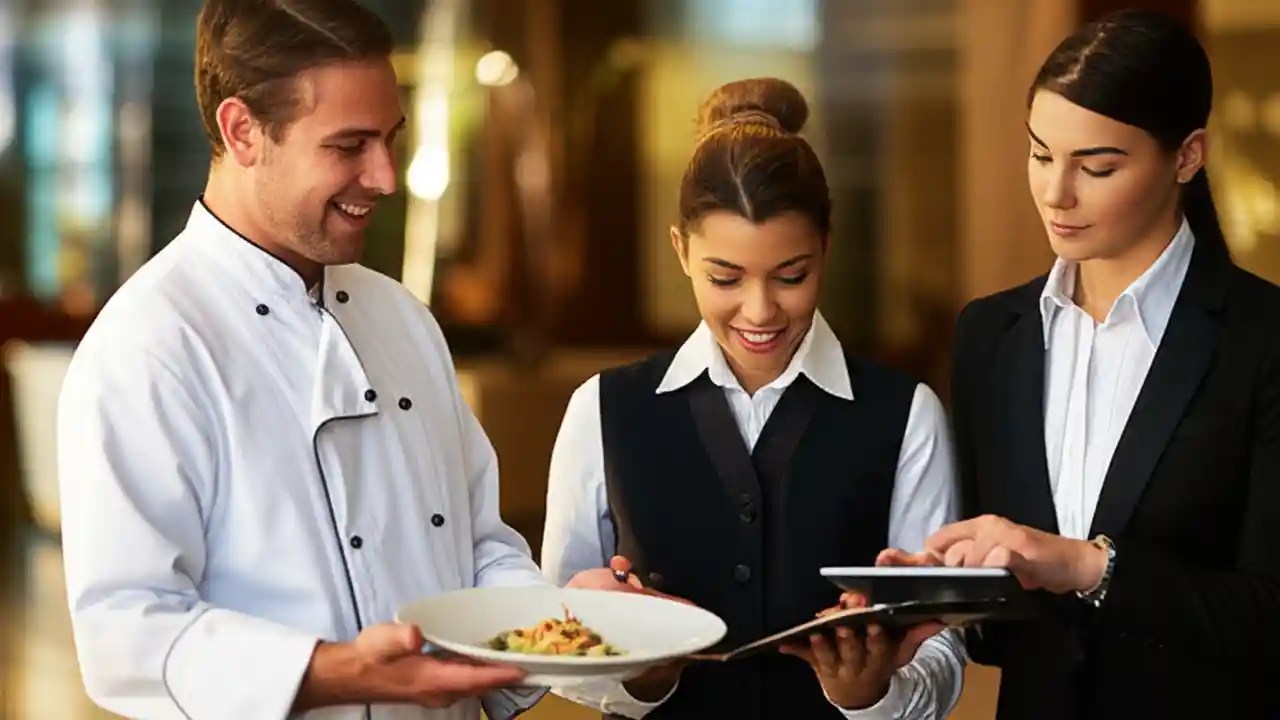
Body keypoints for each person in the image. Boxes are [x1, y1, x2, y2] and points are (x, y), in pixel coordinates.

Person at [56, 2, 553, 718]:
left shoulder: (402, 320)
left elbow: (478, 549)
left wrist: (565, 624)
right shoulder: (149, 347)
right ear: (242, 131)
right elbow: (125, 633)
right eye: (348, 146)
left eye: (390, 139)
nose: (384, 177)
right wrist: (339, 672)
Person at [540, 78, 966, 720]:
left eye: (791, 276)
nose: (761, 310)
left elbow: (944, 645)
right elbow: (556, 632)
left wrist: (871, 695)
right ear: (681, 250)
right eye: (725, 277)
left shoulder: (907, 414)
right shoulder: (602, 409)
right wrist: (639, 677)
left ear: (826, 245)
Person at [912, 9, 1280, 719]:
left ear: (1187, 156)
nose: (1056, 194)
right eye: (1041, 154)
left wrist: (1089, 565)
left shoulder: (1260, 339)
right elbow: (999, 636)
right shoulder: (992, 335)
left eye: (1097, 166)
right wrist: (937, 592)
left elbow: (1269, 610)